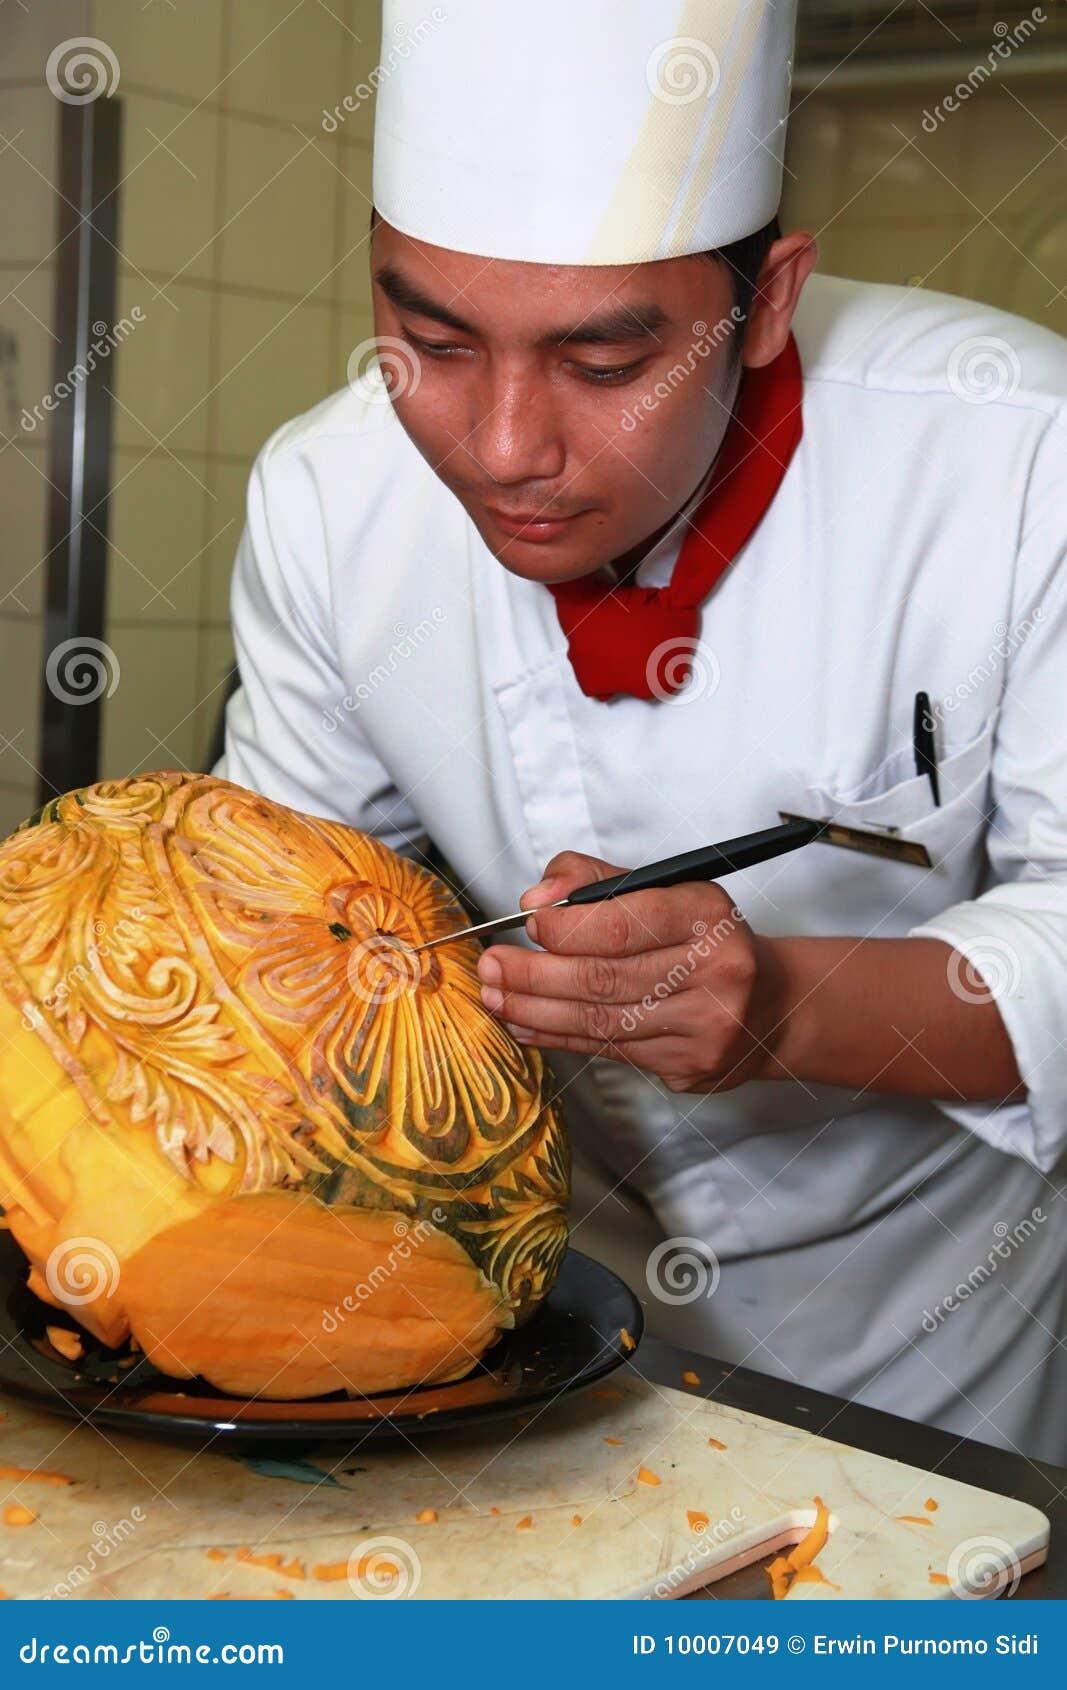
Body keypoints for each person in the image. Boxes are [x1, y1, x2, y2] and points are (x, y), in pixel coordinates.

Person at [216, 0, 1067, 1463]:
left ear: (771, 297)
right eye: (430, 338)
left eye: (606, 367)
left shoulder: (1016, 457)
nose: (501, 447)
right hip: (534, 1339)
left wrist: (785, 1010)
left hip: (935, 1365)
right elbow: (277, 935)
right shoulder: (328, 501)